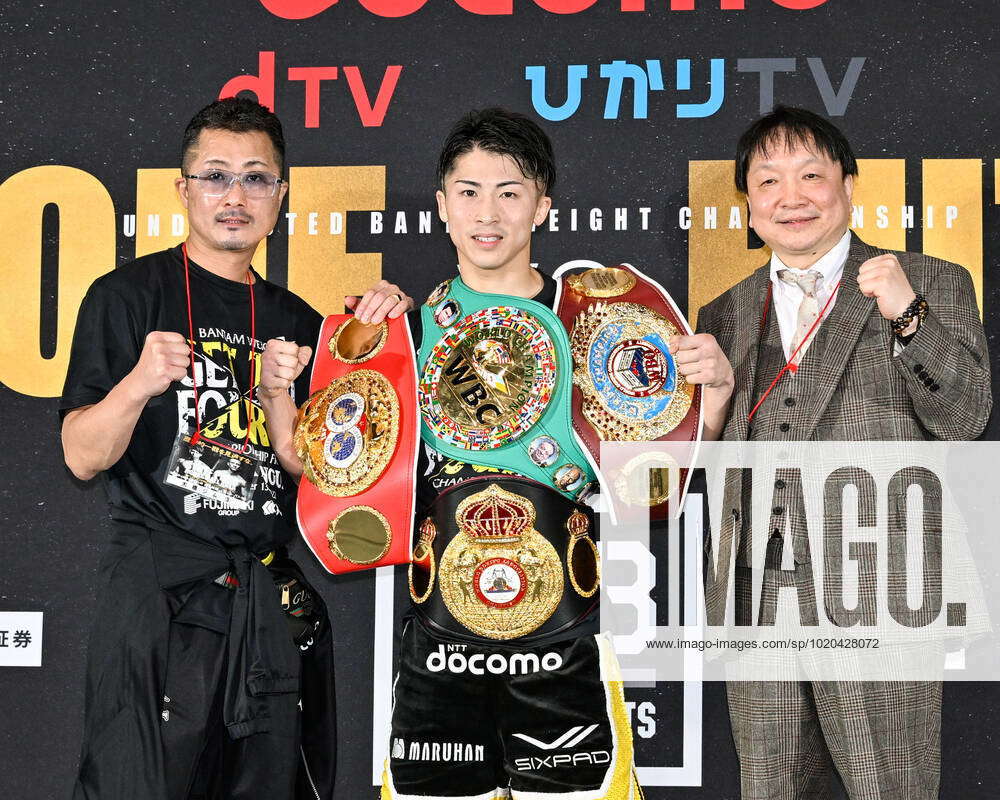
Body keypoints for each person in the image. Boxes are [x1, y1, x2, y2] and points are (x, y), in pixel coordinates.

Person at [60, 96, 409, 800]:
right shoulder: (128, 295)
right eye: (216, 176)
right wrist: (140, 382)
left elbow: (320, 471)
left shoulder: (299, 322)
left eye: (256, 178)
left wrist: (386, 330)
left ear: (281, 196)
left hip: (262, 605)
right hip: (159, 599)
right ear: (183, 189)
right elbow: (81, 455)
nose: (235, 196)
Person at [671, 106, 992, 799]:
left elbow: (966, 418)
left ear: (848, 184)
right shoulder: (724, 312)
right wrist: (716, 402)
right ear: (749, 205)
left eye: (811, 175)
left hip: (882, 594)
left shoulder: (931, 281)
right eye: (768, 181)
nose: (791, 197)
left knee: (891, 789)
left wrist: (909, 316)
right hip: (759, 599)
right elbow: (704, 470)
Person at [382, 108, 642, 800]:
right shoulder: (403, 334)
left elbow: (657, 479)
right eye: (468, 192)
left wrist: (717, 392)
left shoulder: (599, 331)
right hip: (440, 645)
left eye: (509, 192)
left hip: (565, 642)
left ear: (542, 206)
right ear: (442, 206)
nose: (487, 213)